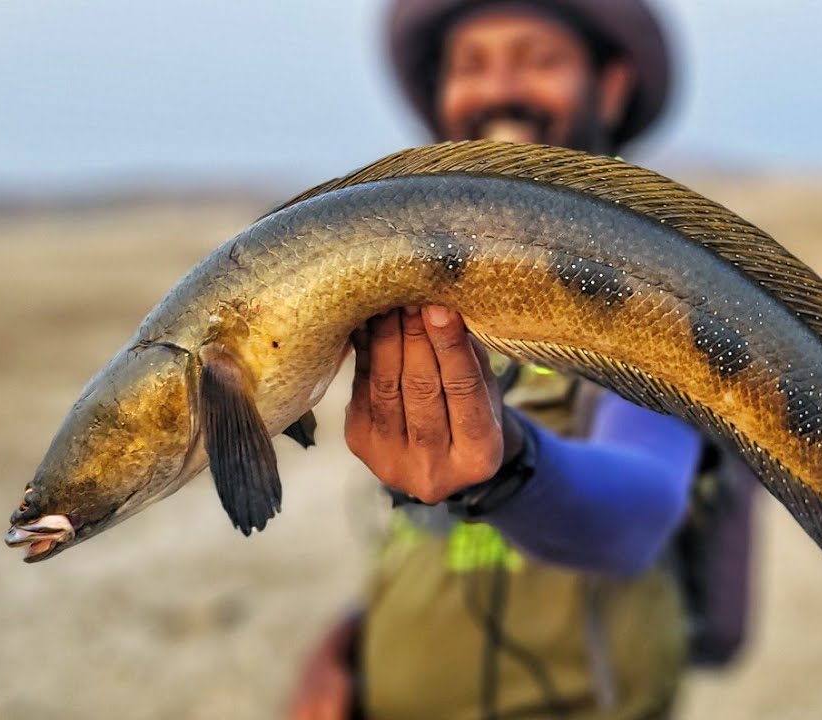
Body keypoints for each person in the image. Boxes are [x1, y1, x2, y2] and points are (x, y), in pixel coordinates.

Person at [289, 2, 754, 718]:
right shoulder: (419, 274)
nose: (500, 89)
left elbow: (640, 510)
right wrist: (354, 640)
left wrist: (508, 465)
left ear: (610, 87)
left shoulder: (651, 283)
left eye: (538, 58)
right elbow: (427, 531)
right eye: (470, 64)